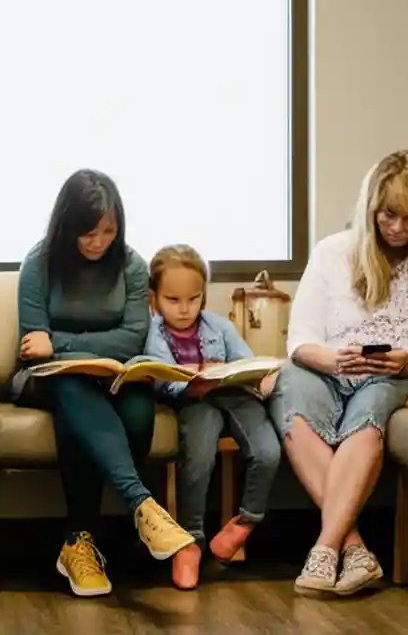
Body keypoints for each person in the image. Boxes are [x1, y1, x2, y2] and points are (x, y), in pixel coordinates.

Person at [270, 150, 408, 596]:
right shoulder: (332, 253)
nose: (398, 228)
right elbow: (300, 341)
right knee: (288, 388)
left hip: (397, 378)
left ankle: (323, 548)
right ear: (370, 208)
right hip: (329, 369)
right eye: (389, 215)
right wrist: (335, 361)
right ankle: (354, 548)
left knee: (372, 404)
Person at [11, 169, 194, 598]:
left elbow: (132, 336)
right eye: (87, 232)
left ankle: (80, 542)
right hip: (49, 381)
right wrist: (64, 353)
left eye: (107, 231)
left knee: (137, 409)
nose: (98, 242)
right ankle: (142, 507)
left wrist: (59, 342)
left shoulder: (131, 266)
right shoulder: (38, 265)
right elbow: (33, 344)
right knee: (73, 385)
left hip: (114, 376)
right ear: (67, 226)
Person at [143, 245, 281, 590]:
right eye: (173, 299)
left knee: (267, 451)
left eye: (193, 298)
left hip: (235, 396)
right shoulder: (154, 332)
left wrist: (254, 376)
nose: (185, 308)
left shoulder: (218, 326)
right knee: (199, 457)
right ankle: (190, 542)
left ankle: (245, 523)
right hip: (194, 402)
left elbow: (247, 362)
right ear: (155, 298)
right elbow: (160, 376)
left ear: (203, 297)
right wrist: (190, 382)